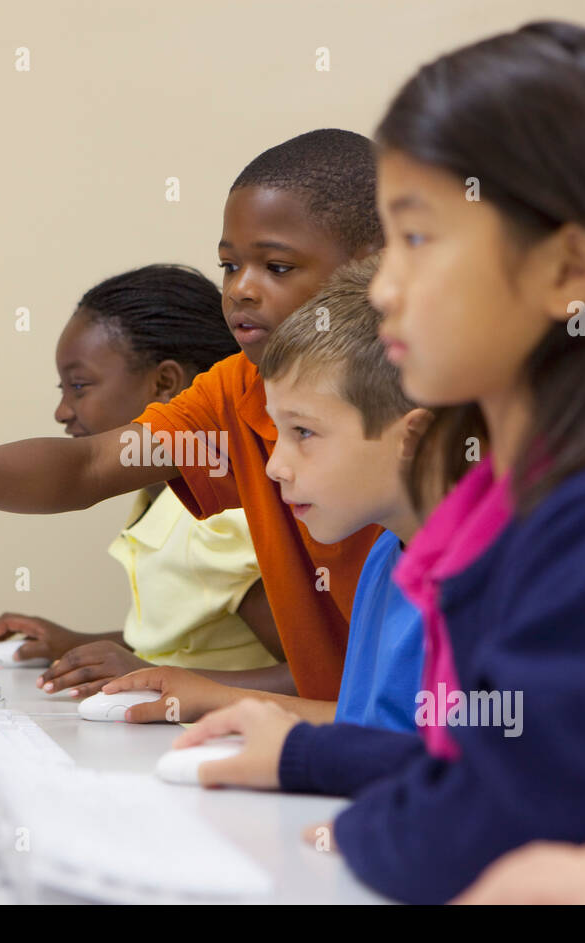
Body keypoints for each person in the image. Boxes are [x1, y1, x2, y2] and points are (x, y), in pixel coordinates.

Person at [166, 20, 585, 904]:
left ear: (569, 269)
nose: (384, 286)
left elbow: (481, 828)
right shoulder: (511, 506)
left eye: (417, 239)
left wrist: (352, 826)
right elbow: (483, 762)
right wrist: (299, 748)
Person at [0, 129, 385, 701]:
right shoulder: (236, 393)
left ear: (372, 264)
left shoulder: (418, 404)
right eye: (230, 267)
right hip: (345, 737)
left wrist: (194, 689)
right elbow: (86, 466)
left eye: (276, 268)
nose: (241, 291)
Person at [101, 254, 429, 730]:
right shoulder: (385, 557)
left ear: (411, 438)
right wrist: (220, 699)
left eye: (304, 433)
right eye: (277, 430)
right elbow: (367, 726)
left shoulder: (495, 572)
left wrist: (286, 756)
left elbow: (457, 761)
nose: (274, 467)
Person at [0, 264, 281, 690]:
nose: (62, 411)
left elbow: (316, 679)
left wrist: (151, 678)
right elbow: (184, 645)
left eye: (79, 386)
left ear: (165, 383)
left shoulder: (216, 524)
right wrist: (72, 643)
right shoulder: (161, 501)